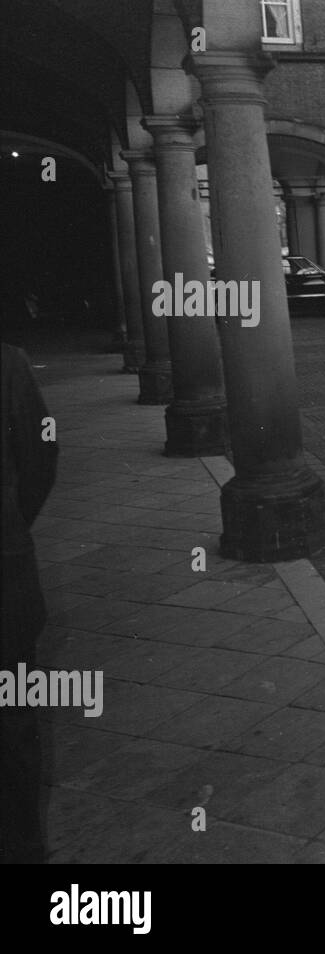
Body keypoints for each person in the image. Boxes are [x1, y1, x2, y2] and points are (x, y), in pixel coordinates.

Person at [1, 343, 57, 863]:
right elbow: (41, 457)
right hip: (6, 573)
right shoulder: (10, 364)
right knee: (14, 723)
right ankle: (22, 846)